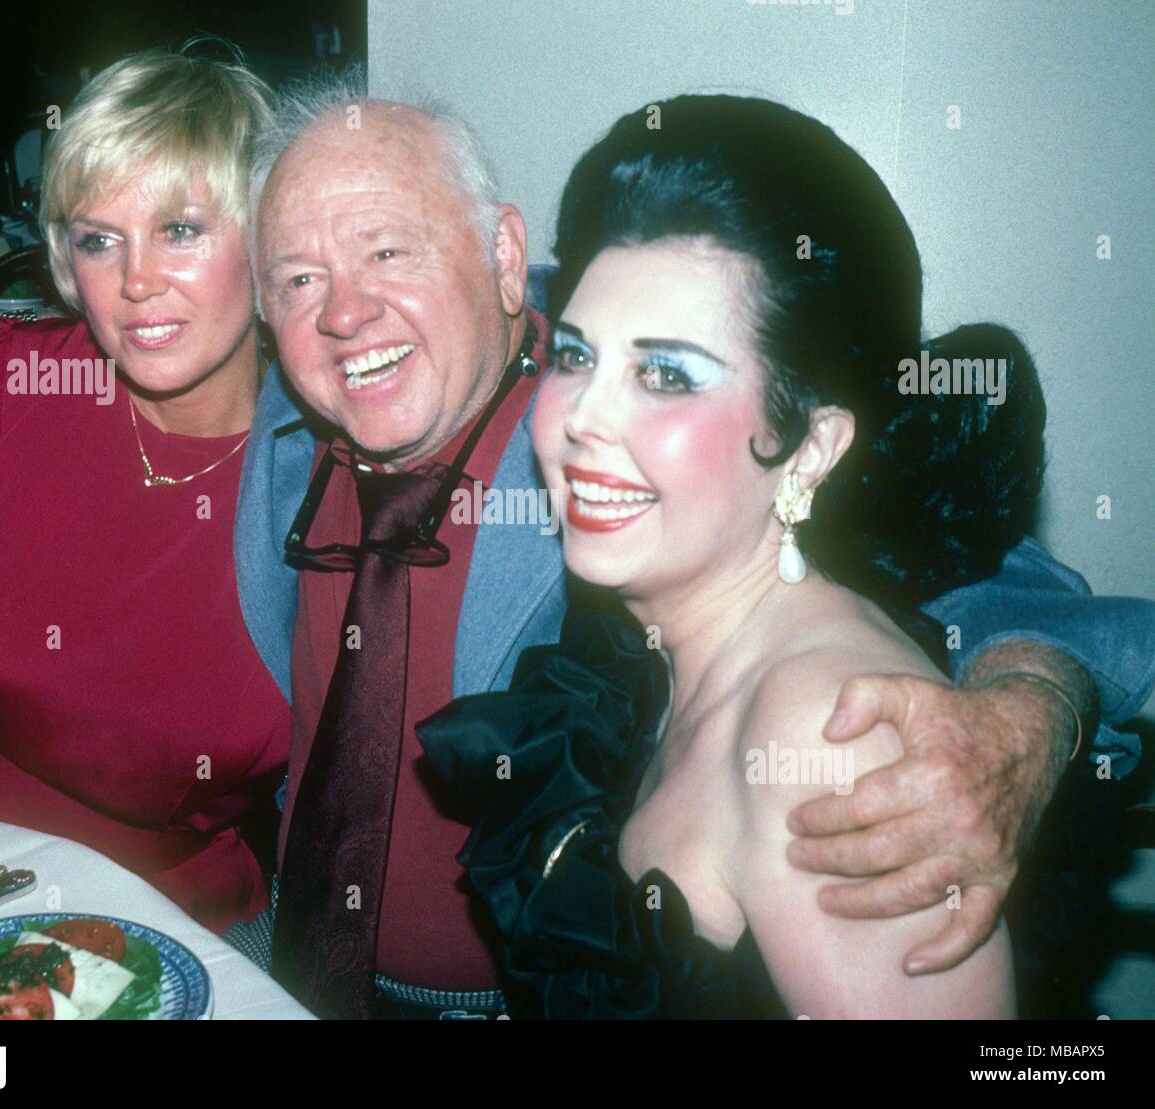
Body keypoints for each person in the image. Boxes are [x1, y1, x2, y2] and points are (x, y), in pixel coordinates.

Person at [235, 77, 1153, 1018]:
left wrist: (1028, 706)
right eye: (297, 278)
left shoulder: (816, 725)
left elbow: (962, 531)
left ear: (505, 260)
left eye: (387, 249)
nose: (343, 313)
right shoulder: (300, 400)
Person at [0, 49, 290, 934]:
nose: (136, 282)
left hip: (159, 924)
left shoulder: (319, 498)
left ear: (269, 239)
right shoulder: (8, 390)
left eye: (182, 229)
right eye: (99, 239)